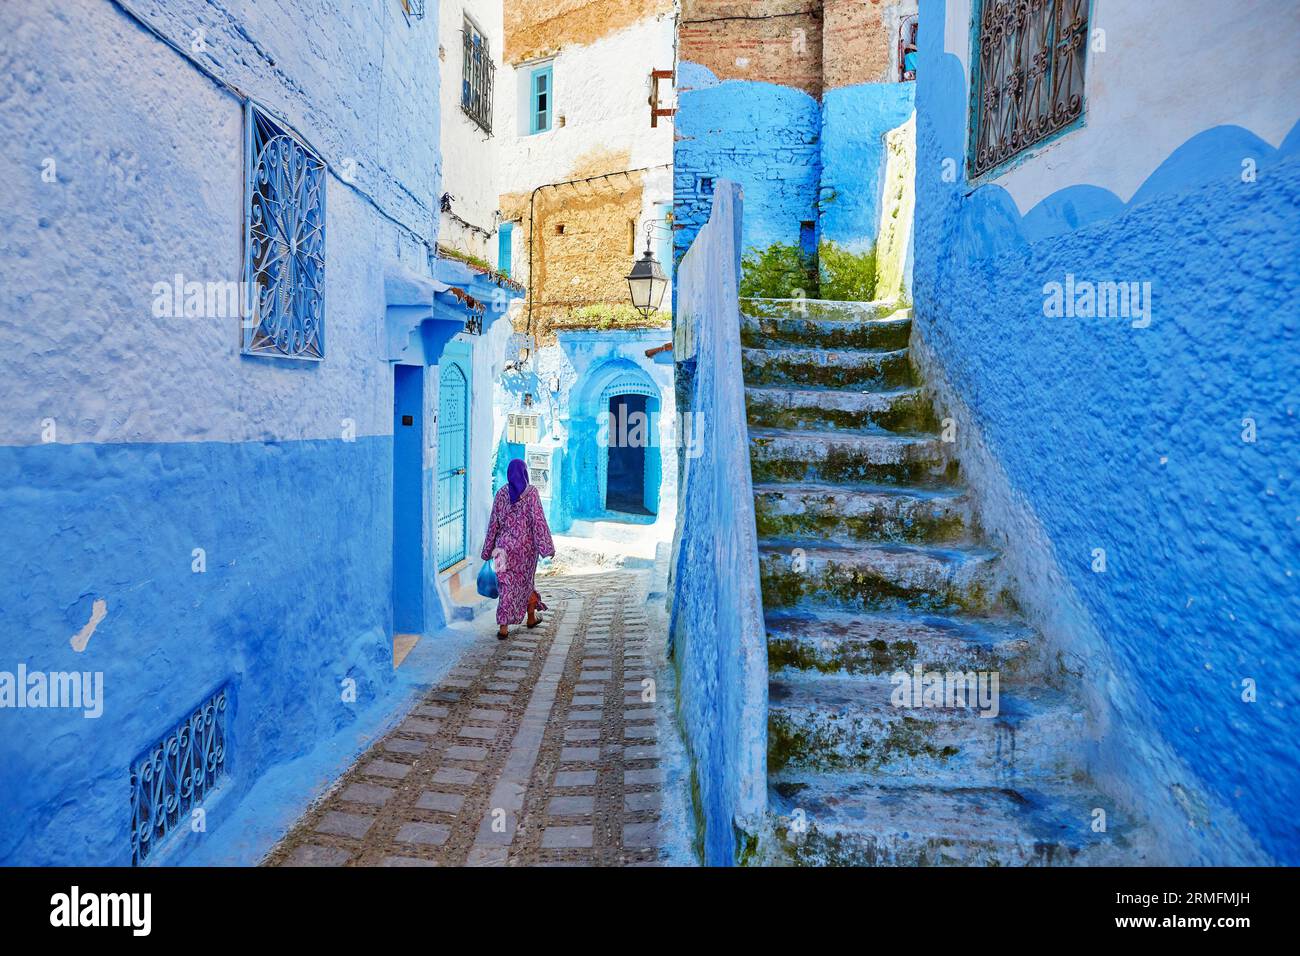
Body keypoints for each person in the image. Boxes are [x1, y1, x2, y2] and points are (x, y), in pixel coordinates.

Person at [481, 458, 555, 639]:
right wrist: (547, 548)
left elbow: (493, 524)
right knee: (525, 583)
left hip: (501, 550)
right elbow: (538, 522)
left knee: (506, 587)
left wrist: (487, 550)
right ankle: (529, 617)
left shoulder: (500, 494)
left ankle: (504, 627)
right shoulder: (531, 494)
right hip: (526, 550)